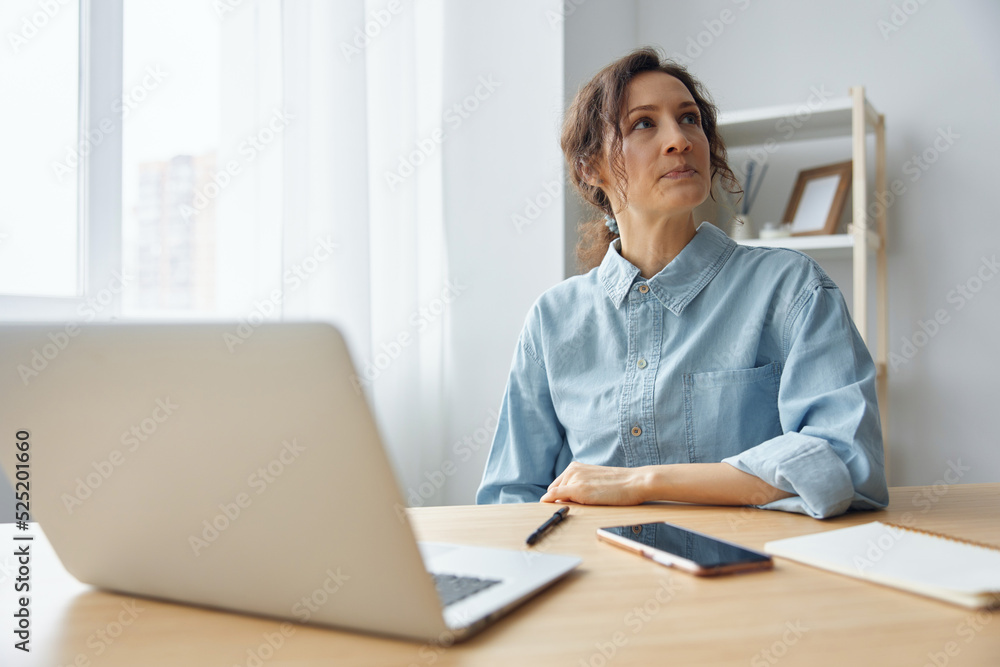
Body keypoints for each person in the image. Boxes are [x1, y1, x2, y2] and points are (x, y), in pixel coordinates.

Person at [475, 47, 888, 519]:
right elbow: (508, 499)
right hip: (595, 578)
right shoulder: (552, 319)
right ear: (591, 167)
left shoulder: (793, 289)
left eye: (689, 119)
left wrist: (642, 483)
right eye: (644, 124)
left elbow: (846, 463)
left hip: (750, 575)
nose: (680, 139)